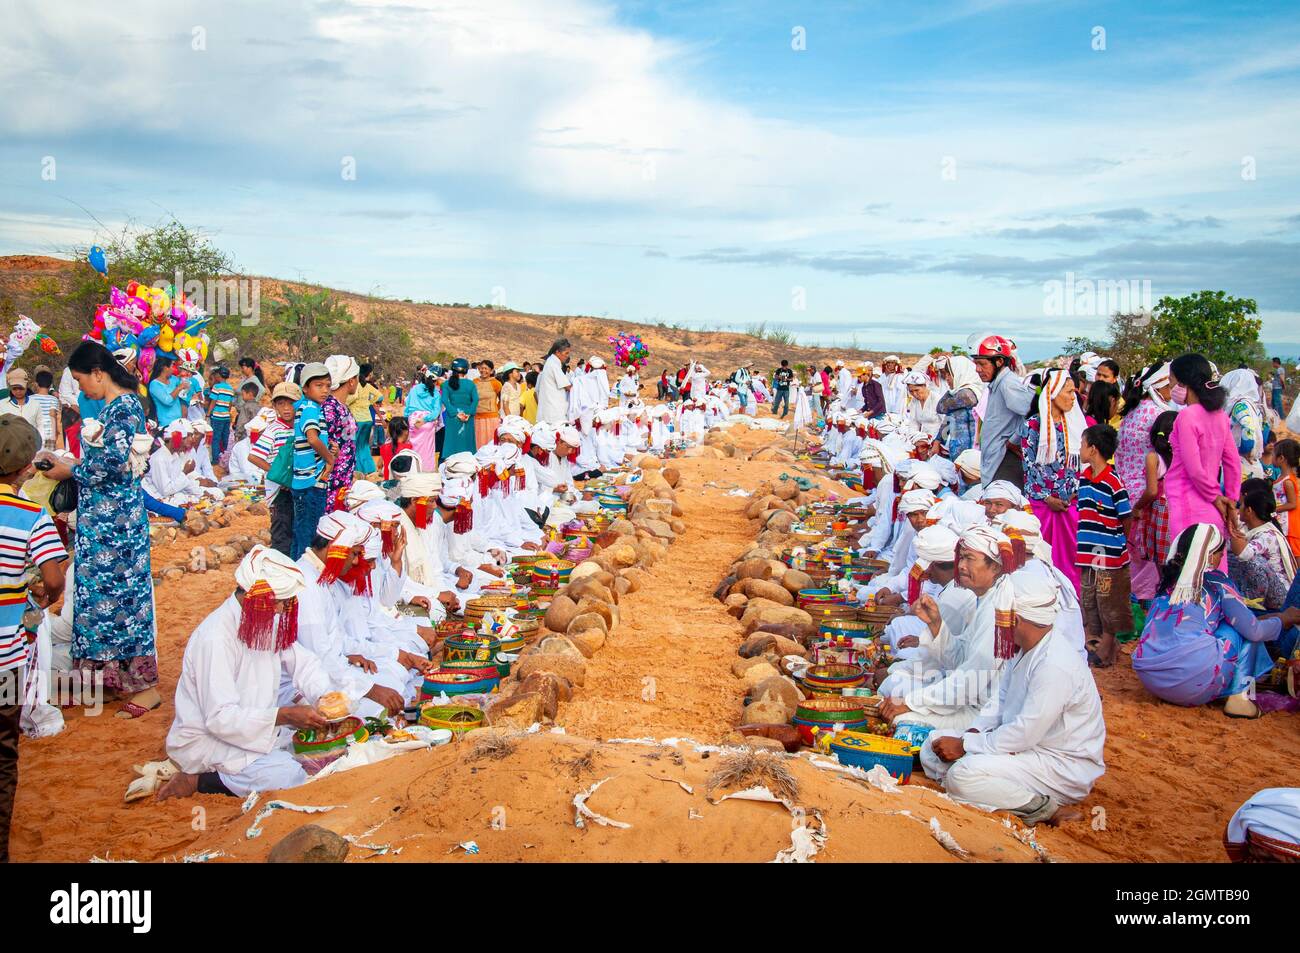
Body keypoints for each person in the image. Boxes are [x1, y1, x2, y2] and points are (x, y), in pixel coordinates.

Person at [920, 567, 1106, 826]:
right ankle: (984, 786)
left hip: (1059, 765)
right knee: (932, 745)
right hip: (1022, 748)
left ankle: (1046, 809)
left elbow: (1025, 733)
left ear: (1015, 619)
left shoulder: (1054, 664)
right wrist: (970, 735)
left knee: (964, 775)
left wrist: (965, 746)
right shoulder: (1024, 648)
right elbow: (998, 703)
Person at [158, 546, 343, 800]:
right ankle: (198, 779)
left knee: (329, 750)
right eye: (277, 602)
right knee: (290, 777)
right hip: (209, 741)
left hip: (256, 730)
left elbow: (304, 663)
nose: (280, 611)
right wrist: (283, 715)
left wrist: (324, 697)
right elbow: (220, 718)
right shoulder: (215, 637)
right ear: (253, 597)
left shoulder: (267, 619)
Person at [42, 342, 157, 717]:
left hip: (116, 527)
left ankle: (143, 686)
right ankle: (106, 682)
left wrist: (68, 469)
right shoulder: (116, 408)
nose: (80, 390)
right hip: (105, 524)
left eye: (78, 380)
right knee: (99, 603)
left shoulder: (124, 408)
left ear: (97, 373)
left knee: (122, 602)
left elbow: (109, 465)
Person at [1133, 523, 1299, 718]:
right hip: (1192, 685)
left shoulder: (1169, 581)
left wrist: (1276, 618)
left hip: (1152, 680)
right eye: (1220, 553)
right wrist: (1283, 620)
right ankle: (1239, 699)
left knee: (1228, 624)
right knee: (1239, 629)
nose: (1222, 557)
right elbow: (1254, 631)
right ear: (1210, 555)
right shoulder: (1216, 581)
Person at [0, 414, 68, 861]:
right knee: (4, 754)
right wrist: (40, 599)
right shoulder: (30, 516)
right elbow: (53, 578)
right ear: (27, 467)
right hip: (5, 657)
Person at [878, 525, 1018, 733]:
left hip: (985, 712)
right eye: (960, 558)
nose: (961, 565)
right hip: (966, 696)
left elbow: (968, 681)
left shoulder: (997, 610)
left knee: (903, 721)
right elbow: (960, 657)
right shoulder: (986, 599)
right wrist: (936, 625)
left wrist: (911, 702)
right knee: (897, 697)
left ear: (995, 567)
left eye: (969, 558)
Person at [1165, 353, 1239, 561]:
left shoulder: (1187, 416)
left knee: (1189, 568)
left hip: (1187, 500)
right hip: (1214, 506)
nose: (1171, 388)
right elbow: (1233, 463)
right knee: (1214, 567)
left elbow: (1193, 468)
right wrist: (1230, 501)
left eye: (1171, 382)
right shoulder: (1220, 416)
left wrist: (1216, 497)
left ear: (1183, 383)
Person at [1020, 367, 1084, 597]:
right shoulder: (1033, 426)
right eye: (1067, 392)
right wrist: (1047, 498)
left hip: (1070, 504)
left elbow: (1083, 465)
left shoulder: (1076, 425)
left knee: (1072, 558)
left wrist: (1073, 494)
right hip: (1042, 505)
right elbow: (1029, 467)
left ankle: (1073, 603)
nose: (1071, 398)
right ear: (1053, 393)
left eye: (1073, 393)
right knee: (1041, 556)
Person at [1115, 362, 1173, 601]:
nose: (1173, 390)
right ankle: (1146, 603)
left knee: (1133, 553)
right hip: (1148, 496)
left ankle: (1132, 602)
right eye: (1170, 385)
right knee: (1149, 556)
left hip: (1126, 492)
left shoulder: (1132, 411)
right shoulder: (1159, 415)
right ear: (1158, 386)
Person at [1076, 424, 1132, 668]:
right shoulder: (1084, 479)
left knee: (1108, 599)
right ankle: (1100, 643)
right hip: (1089, 553)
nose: (1080, 449)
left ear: (1093, 449)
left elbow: (1126, 517)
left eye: (1082, 444)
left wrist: (1119, 542)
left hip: (1108, 554)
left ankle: (1107, 646)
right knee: (1090, 598)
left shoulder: (1113, 482)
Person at [972, 334, 1033, 488]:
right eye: (976, 364)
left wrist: (1013, 441)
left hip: (1004, 461)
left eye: (982, 364)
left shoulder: (1007, 384)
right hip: (997, 460)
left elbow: (1031, 415)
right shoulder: (997, 384)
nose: (977, 369)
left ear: (999, 362)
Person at [1227, 478, 1296, 611]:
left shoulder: (1267, 535)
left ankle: (1253, 606)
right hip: (1272, 589)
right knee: (1228, 557)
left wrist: (1233, 529)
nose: (1238, 509)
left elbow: (1243, 554)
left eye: (1241, 506)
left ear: (1249, 511)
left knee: (1253, 562)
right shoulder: (1256, 529)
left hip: (1280, 594)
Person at [290, 363, 336, 559]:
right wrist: (330, 459)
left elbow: (314, 437)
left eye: (327, 385)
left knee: (301, 534)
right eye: (319, 385)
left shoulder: (308, 407)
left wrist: (330, 444)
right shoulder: (311, 408)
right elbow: (312, 438)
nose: (325, 390)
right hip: (311, 481)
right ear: (305, 388)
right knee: (308, 539)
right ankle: (304, 578)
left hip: (307, 482)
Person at [249, 381, 300, 556]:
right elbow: (254, 456)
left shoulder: (300, 427)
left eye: (291, 403)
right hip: (280, 492)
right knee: (282, 536)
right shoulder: (273, 430)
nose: (286, 408)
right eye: (281, 404)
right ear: (275, 406)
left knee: (296, 533)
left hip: (297, 488)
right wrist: (279, 476)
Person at [1131, 411, 1176, 602]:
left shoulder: (1153, 457)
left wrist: (1137, 507)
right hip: (1176, 509)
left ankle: (1163, 601)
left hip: (1159, 510)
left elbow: (1151, 490)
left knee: (1161, 563)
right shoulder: (1179, 456)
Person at [322, 355, 359, 512]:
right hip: (332, 478)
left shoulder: (340, 406)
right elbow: (326, 441)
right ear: (351, 380)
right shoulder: (330, 407)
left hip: (342, 477)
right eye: (356, 378)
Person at [933, 355, 982, 459]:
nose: (946, 378)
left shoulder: (967, 394)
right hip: (957, 451)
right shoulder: (957, 392)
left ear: (959, 373)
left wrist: (950, 393)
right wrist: (938, 441)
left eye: (949, 375)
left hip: (970, 453)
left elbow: (940, 407)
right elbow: (950, 418)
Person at [1221, 368, 1265, 479]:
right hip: (1252, 464)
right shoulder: (1253, 405)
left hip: (1241, 464)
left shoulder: (1240, 406)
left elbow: (1248, 429)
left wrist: (1245, 450)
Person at [402, 370, 443, 471]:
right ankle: (426, 470)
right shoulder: (436, 393)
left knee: (413, 447)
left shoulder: (414, 389)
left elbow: (407, 407)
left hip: (413, 419)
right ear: (435, 381)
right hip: (427, 422)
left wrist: (407, 419)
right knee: (427, 449)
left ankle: (413, 469)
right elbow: (436, 412)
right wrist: (425, 420)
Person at [348, 363, 384, 477]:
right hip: (368, 419)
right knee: (364, 446)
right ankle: (369, 468)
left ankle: (357, 470)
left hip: (357, 419)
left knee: (354, 445)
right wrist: (369, 402)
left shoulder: (356, 386)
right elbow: (380, 396)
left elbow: (351, 398)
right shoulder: (368, 387)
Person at [441, 358, 478, 457]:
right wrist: (469, 413)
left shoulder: (446, 384)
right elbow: (475, 400)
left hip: (453, 415)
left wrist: (455, 413)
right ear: (466, 370)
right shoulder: (471, 384)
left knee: (452, 441)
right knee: (467, 441)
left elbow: (444, 400)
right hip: (467, 415)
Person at [204, 366, 237, 463]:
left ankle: (215, 460)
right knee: (225, 437)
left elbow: (213, 401)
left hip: (217, 416)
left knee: (215, 438)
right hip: (226, 417)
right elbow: (230, 405)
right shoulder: (230, 388)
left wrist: (208, 414)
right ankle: (225, 457)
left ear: (219, 376)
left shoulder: (216, 387)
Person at [1275, 438, 1300, 560]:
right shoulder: (1282, 477)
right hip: (1284, 523)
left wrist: (1274, 509)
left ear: (1281, 458)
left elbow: (1292, 504)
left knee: (1294, 559)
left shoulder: (1288, 481)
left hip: (1290, 526)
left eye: (1275, 454)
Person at [537, 339, 572, 425]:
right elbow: (568, 387)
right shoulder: (553, 364)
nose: (567, 356)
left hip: (550, 412)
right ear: (557, 352)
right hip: (553, 414)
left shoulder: (552, 362)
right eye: (566, 353)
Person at [147, 357, 187, 428]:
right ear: (165, 368)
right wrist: (179, 388)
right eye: (172, 366)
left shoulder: (173, 379)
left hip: (179, 422)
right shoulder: (154, 385)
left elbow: (184, 391)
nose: (173, 369)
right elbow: (167, 401)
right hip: (166, 424)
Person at [473, 359, 500, 447]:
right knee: (478, 442)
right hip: (477, 418)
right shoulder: (474, 382)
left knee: (491, 443)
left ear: (491, 371)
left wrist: (496, 410)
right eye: (481, 368)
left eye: (486, 368)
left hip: (491, 418)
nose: (483, 370)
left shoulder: (496, 383)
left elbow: (501, 400)